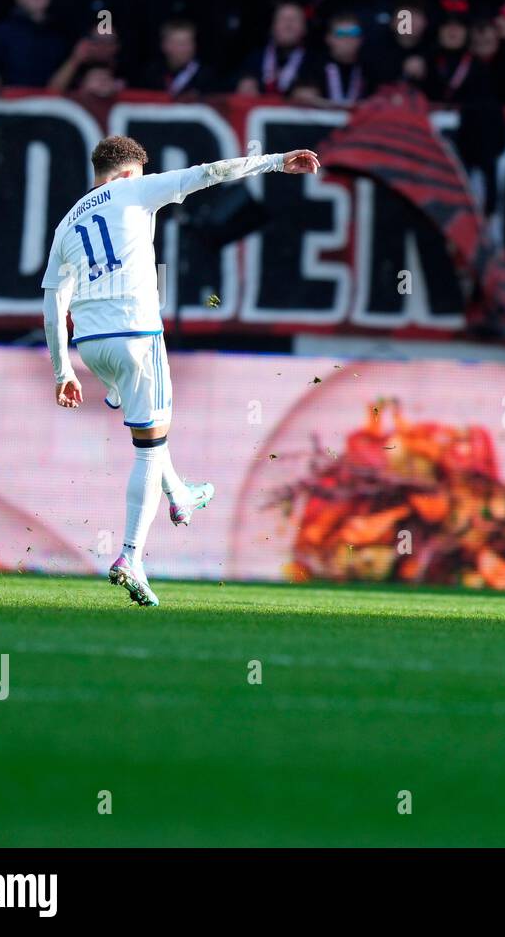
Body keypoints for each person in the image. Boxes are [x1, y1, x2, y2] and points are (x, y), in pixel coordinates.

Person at [41, 136, 320, 606]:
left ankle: (180, 495)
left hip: (90, 345)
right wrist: (275, 163)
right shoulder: (135, 190)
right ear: (131, 171)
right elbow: (209, 173)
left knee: (148, 428)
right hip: (135, 333)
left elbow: (52, 301)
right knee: (150, 448)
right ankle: (131, 555)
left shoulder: (68, 222)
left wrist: (61, 370)